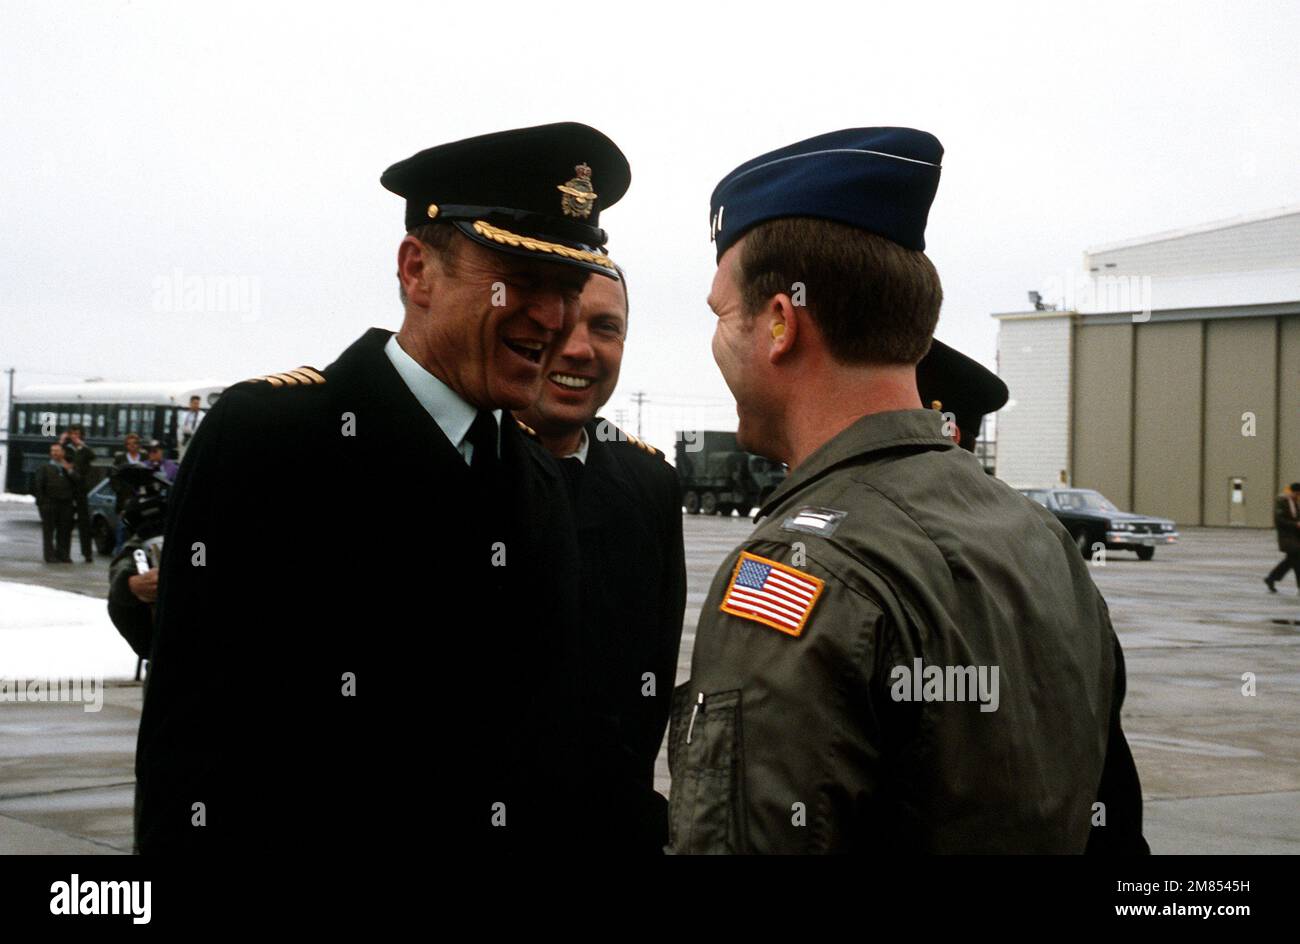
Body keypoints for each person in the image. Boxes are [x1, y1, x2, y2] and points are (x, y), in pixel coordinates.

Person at [134, 122, 632, 855]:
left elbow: (539, 742)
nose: (553, 319)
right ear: (417, 271)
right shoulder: (274, 440)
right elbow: (196, 745)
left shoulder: (530, 472)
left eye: (564, 288)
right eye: (519, 282)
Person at [668, 127, 1148, 854]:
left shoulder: (799, 572)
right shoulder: (1035, 536)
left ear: (779, 323)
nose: (717, 342)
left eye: (721, 315)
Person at [515, 264, 686, 852]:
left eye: (606, 327)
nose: (581, 348)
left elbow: (652, 685)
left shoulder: (649, 483)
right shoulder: (452, 461)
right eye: (559, 323)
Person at [33, 443, 80, 563]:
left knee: (64, 531)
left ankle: (63, 554)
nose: (54, 453)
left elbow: (78, 482)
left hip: (66, 504)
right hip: (49, 503)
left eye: (57, 451)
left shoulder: (69, 467)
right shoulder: (44, 467)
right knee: (49, 531)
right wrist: (41, 503)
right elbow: (39, 486)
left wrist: (69, 470)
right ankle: (50, 555)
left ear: (63, 453)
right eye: (52, 451)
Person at [60, 424, 97, 562]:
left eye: (78, 433)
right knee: (66, 523)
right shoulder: (66, 449)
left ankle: (87, 553)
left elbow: (93, 456)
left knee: (84, 523)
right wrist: (62, 442)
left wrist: (82, 445)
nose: (75, 436)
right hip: (68, 489)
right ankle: (65, 554)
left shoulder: (84, 450)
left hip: (81, 489)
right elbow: (58, 456)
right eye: (72, 433)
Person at [1264, 482, 1300, 593]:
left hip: (1295, 536)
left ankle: (1271, 578)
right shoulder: (1282, 501)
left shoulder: (1293, 501)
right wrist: (1295, 524)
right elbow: (1279, 520)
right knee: (1297, 561)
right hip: (1286, 537)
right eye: (1297, 493)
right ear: (1293, 492)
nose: (1298, 496)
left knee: (1290, 561)